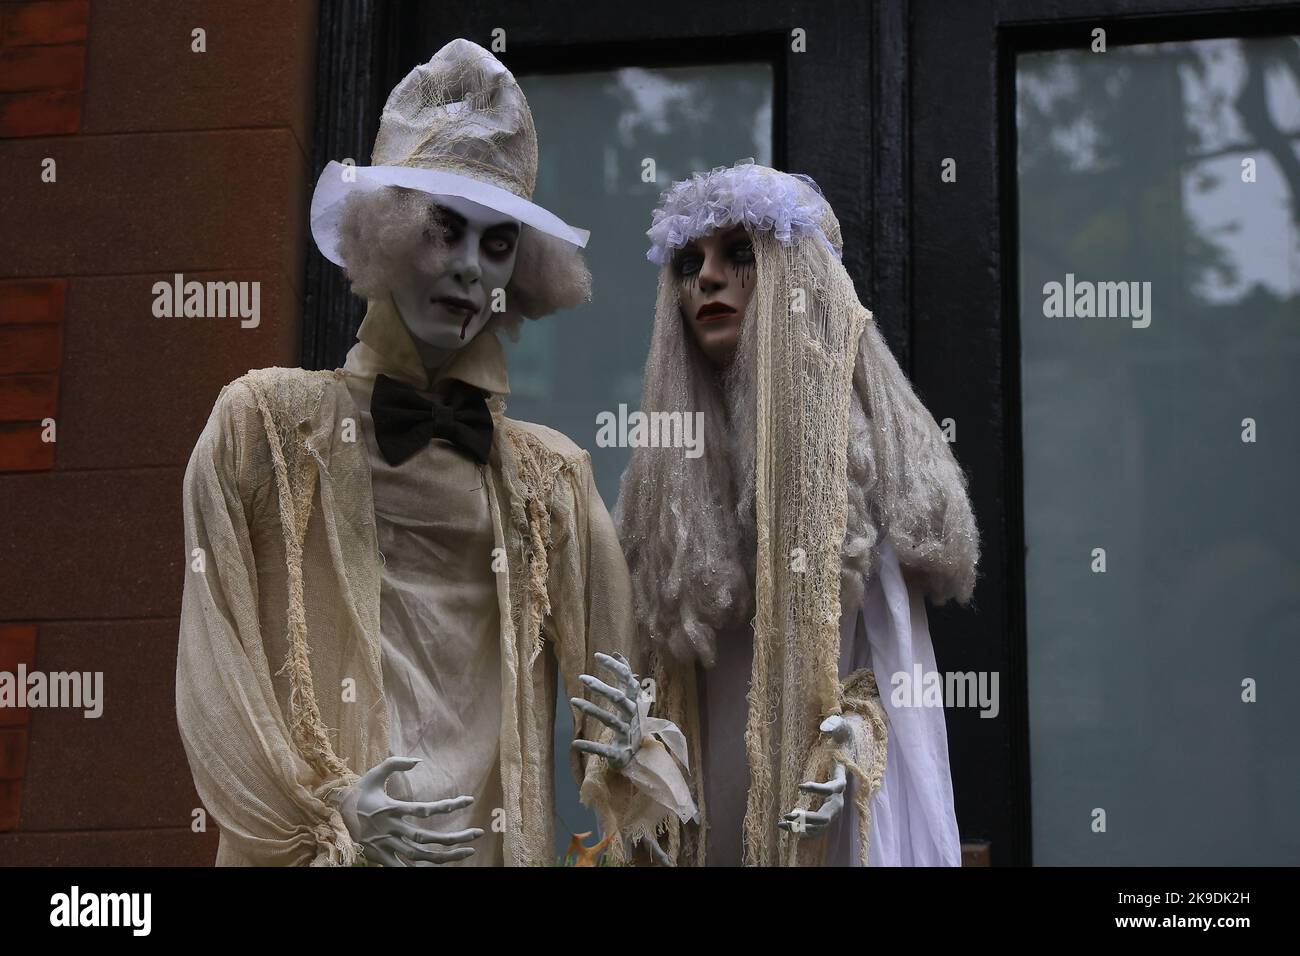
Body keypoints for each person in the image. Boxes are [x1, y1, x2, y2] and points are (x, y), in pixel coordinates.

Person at [175, 38, 640, 867]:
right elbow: (217, 662)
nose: (467, 267)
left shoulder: (551, 478)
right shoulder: (264, 428)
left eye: (496, 244)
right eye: (445, 227)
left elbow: (620, 704)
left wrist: (639, 759)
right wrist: (315, 812)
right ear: (384, 229)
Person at [610, 160, 981, 866]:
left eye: (741, 254)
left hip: (829, 819)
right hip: (707, 815)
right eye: (691, 263)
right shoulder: (665, 484)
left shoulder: (856, 465)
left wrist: (856, 740)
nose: (708, 279)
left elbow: (896, 678)